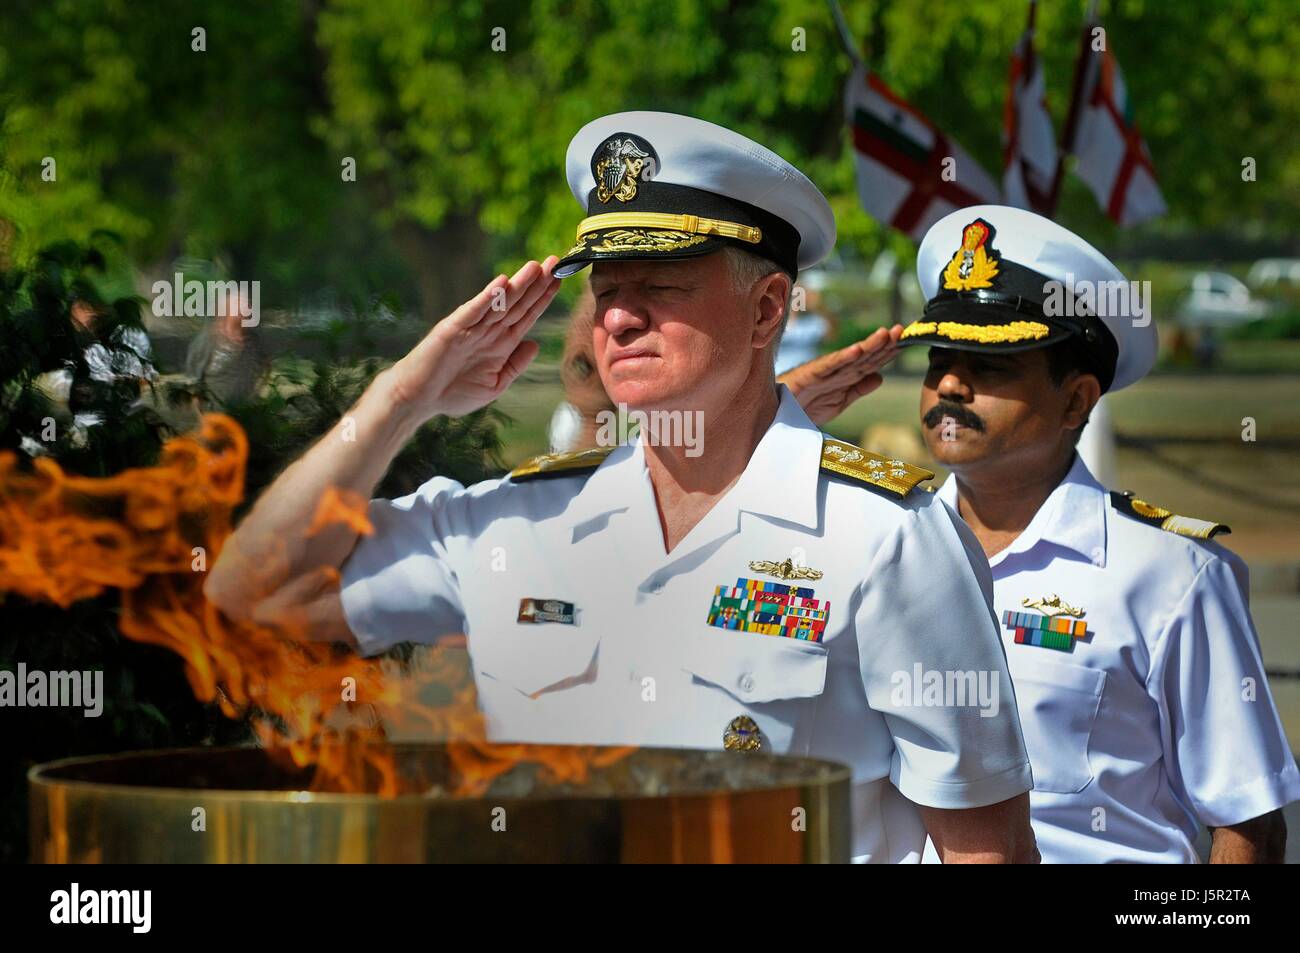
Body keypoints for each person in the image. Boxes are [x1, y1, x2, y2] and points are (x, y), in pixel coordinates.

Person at [207, 113, 1038, 863]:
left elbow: (984, 849)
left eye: (660, 287)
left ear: (765, 311)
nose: (617, 319)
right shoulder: (516, 522)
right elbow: (253, 590)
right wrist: (401, 398)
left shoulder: (886, 534)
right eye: (605, 290)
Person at [880, 205, 1297, 862]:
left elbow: (1247, 825)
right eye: (940, 359)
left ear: (1075, 400)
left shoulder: (1171, 574)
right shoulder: (883, 545)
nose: (951, 384)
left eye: (989, 365)